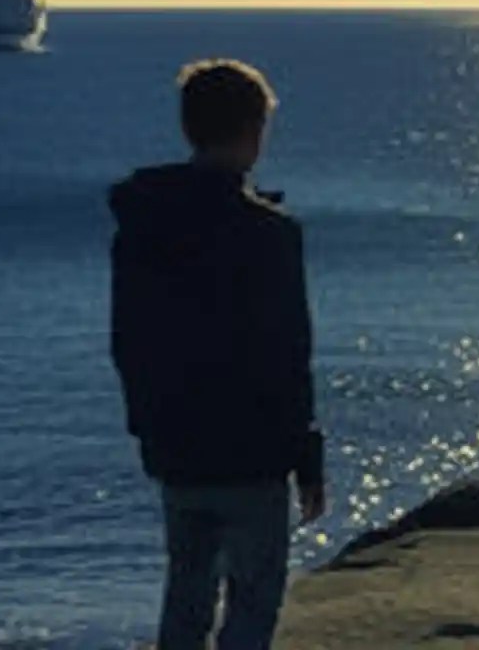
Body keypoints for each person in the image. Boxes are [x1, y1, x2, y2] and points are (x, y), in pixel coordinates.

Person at [108, 58, 325, 650]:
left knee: (186, 595)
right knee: (252, 603)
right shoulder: (269, 234)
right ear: (255, 132)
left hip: (177, 445)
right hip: (253, 452)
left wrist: (147, 428)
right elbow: (287, 351)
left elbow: (126, 339)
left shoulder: (143, 222)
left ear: (190, 128)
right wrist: (307, 454)